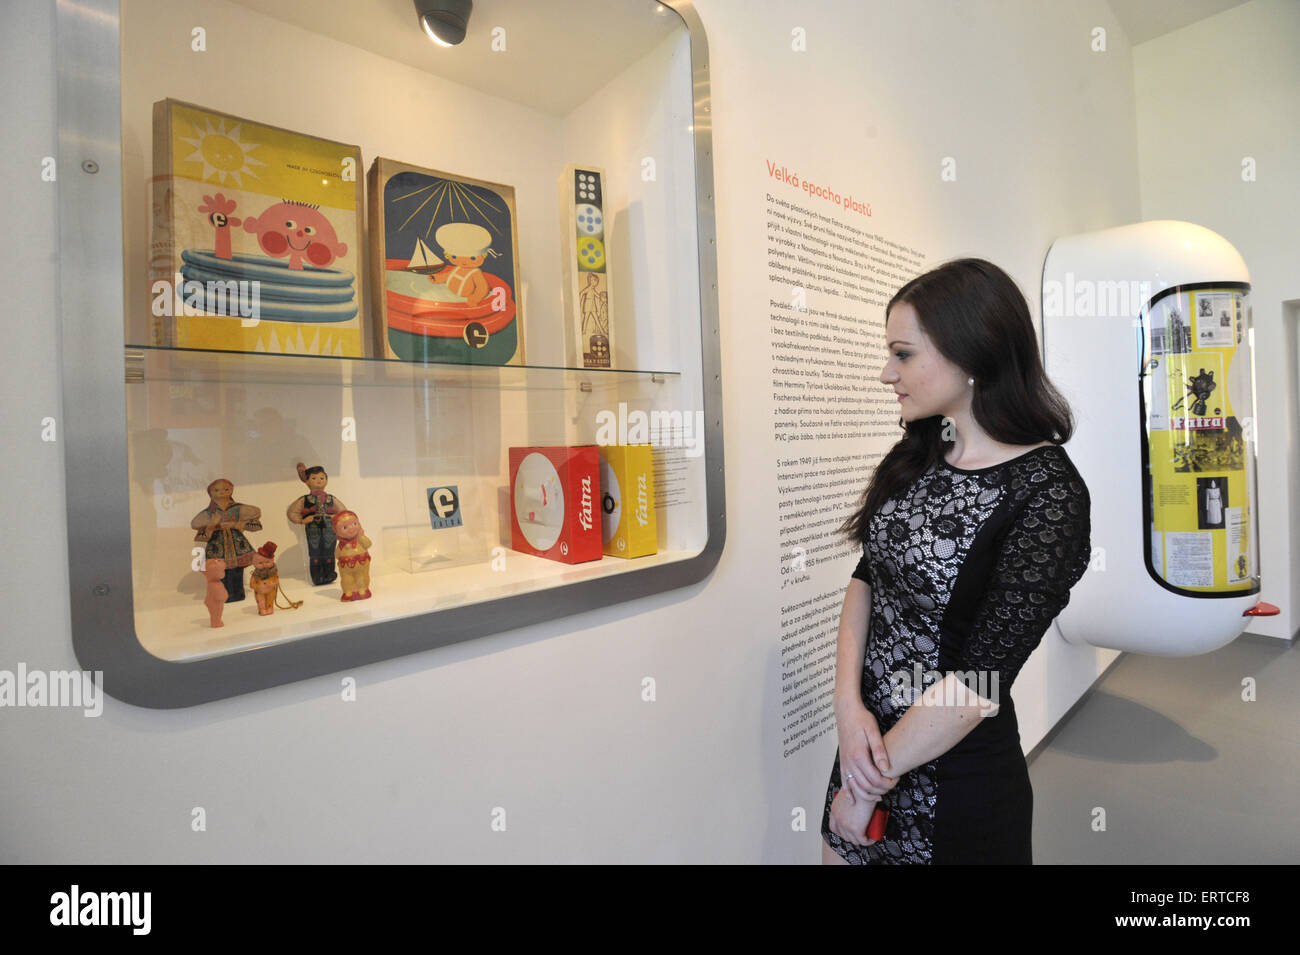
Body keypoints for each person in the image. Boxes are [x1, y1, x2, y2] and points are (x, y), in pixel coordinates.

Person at [821, 258, 1092, 865]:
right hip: (867, 745)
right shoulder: (920, 450)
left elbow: (980, 682)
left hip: (954, 780)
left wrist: (869, 781)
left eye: (903, 354)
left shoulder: (1047, 492)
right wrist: (847, 711)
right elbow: (868, 576)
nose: (886, 373)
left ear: (972, 356)